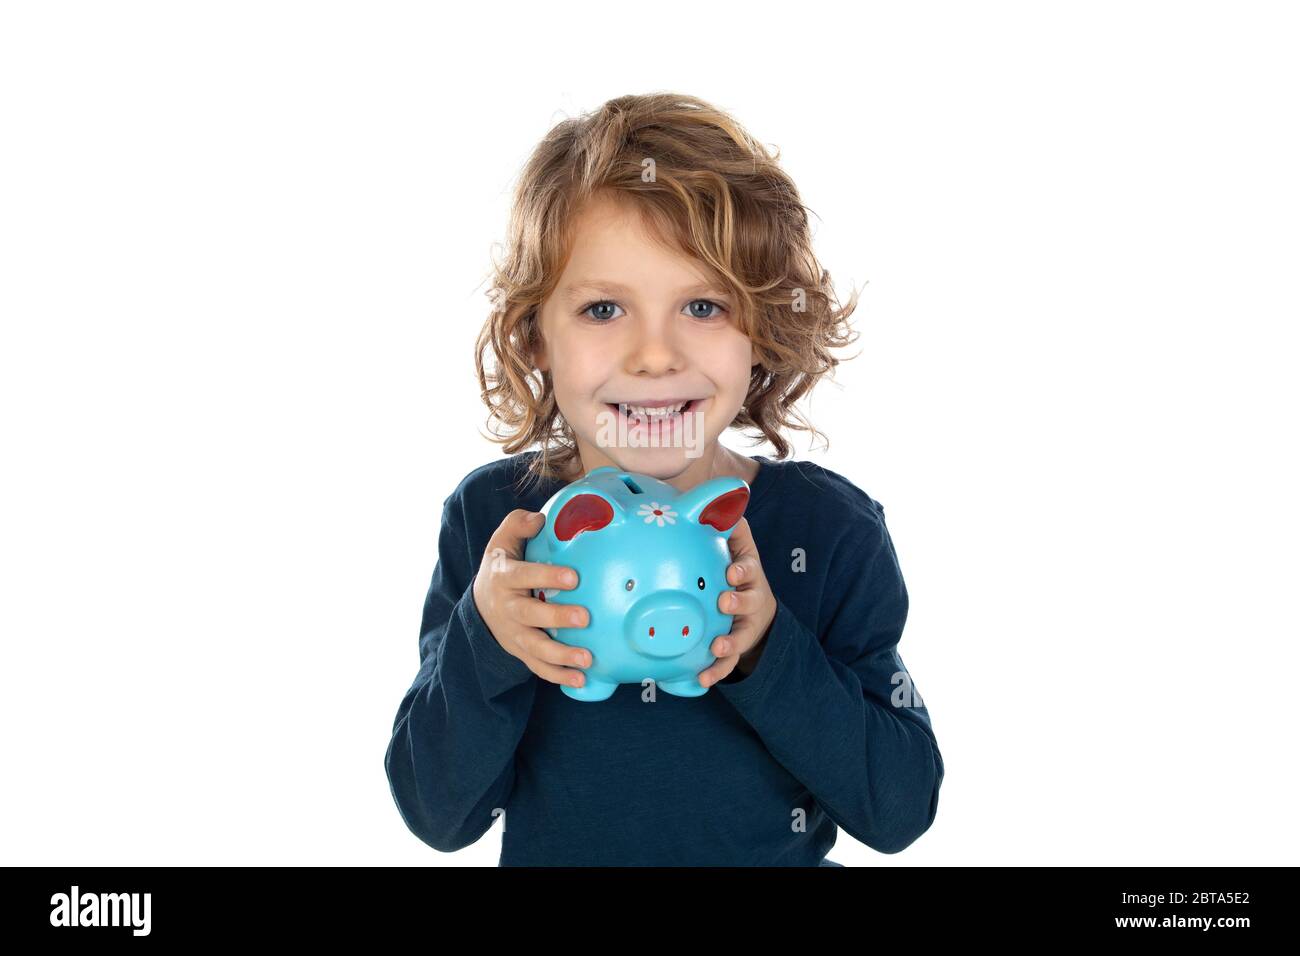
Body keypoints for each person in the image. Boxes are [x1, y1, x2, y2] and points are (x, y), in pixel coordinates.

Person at [384, 92, 944, 865]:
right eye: (603, 308)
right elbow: (437, 815)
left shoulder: (829, 530)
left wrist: (768, 649)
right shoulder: (496, 522)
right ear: (535, 334)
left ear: (763, 330)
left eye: (704, 306)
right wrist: (486, 640)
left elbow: (901, 808)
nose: (655, 356)